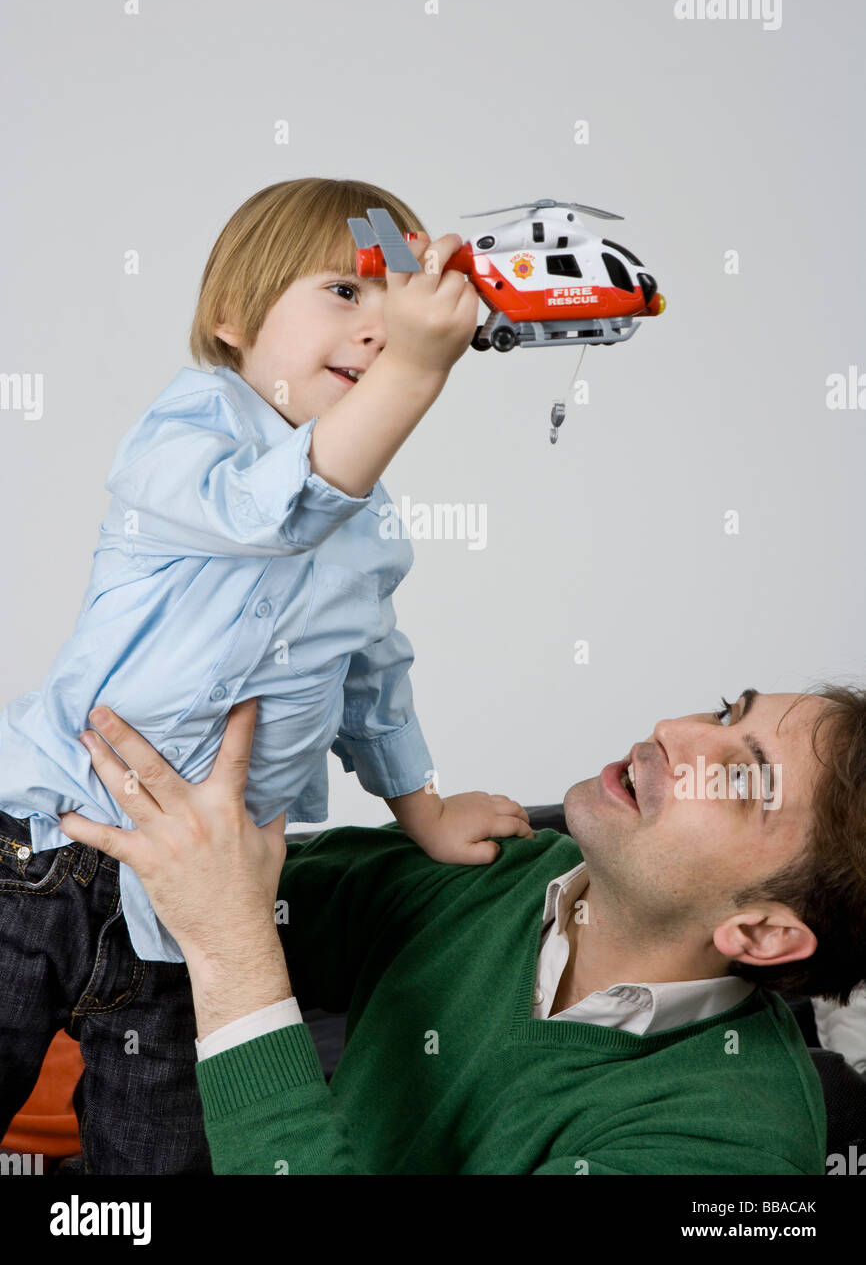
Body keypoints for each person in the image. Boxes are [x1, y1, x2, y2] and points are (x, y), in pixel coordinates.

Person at [0, 177, 535, 1175]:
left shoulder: (368, 523)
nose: (378, 328)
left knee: (160, 1167)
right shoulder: (189, 429)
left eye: (397, 300)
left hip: (192, 912)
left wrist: (418, 806)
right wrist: (415, 373)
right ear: (232, 319)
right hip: (43, 854)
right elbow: (267, 515)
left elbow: (371, 674)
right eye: (345, 290)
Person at [57, 681, 866, 1175]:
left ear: (761, 935)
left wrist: (230, 947)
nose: (677, 732)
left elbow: (229, 929)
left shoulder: (732, 1150)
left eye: (738, 774)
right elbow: (196, 894)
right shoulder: (498, 868)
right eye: (726, 708)